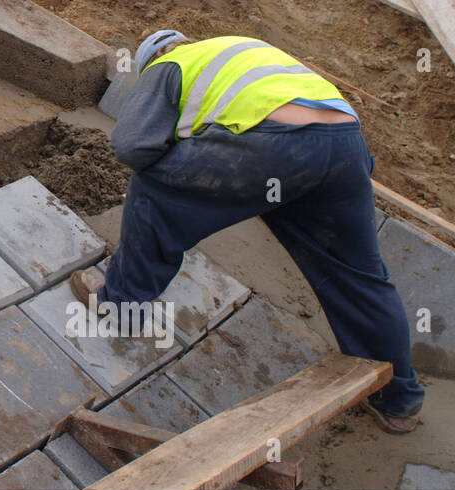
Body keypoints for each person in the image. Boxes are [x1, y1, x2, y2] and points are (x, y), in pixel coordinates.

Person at [70, 30, 425, 433]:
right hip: (345, 145)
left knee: (155, 187)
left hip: (275, 146)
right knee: (359, 276)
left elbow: (131, 146)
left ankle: (121, 301)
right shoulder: (244, 49)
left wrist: (181, 156)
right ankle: (397, 401)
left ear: (154, 57)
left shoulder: (168, 65)